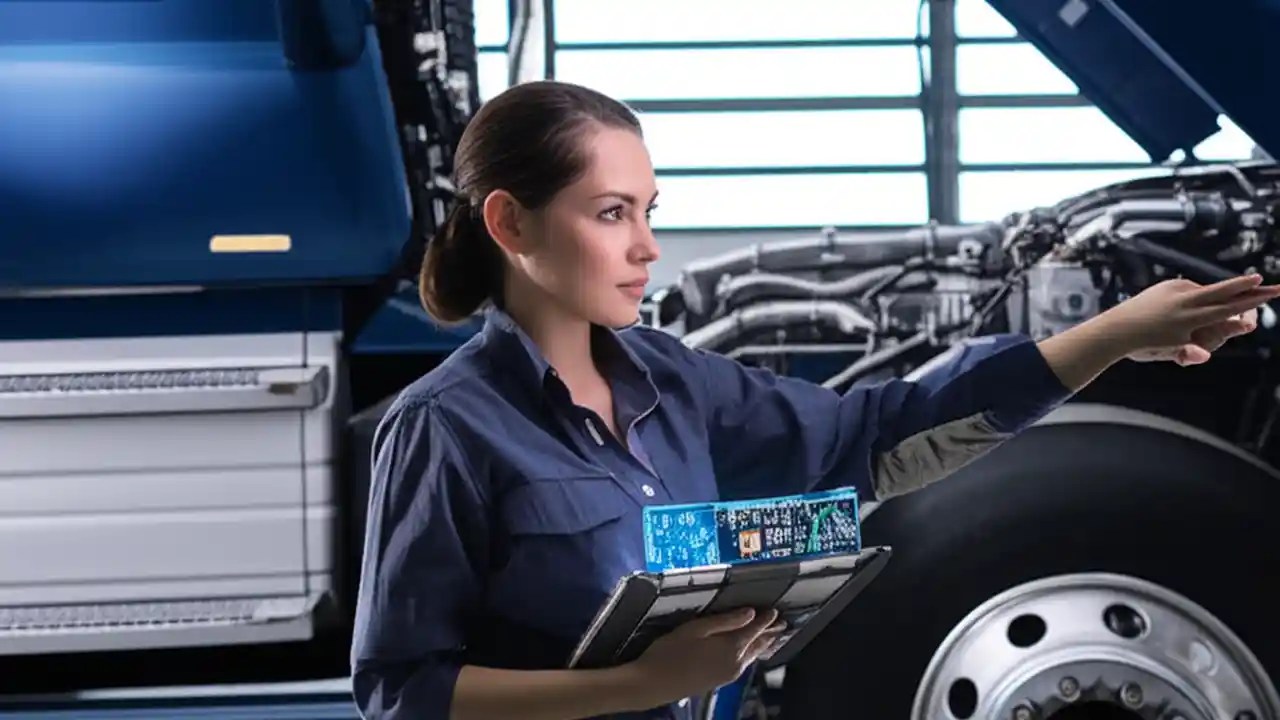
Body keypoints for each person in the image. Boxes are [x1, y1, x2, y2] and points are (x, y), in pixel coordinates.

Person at [349, 80, 1280, 720]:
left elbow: (881, 433)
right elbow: (401, 691)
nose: (646, 248)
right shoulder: (442, 429)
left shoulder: (677, 383)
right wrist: (640, 681)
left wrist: (1106, 337)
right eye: (610, 213)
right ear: (510, 222)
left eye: (649, 210)